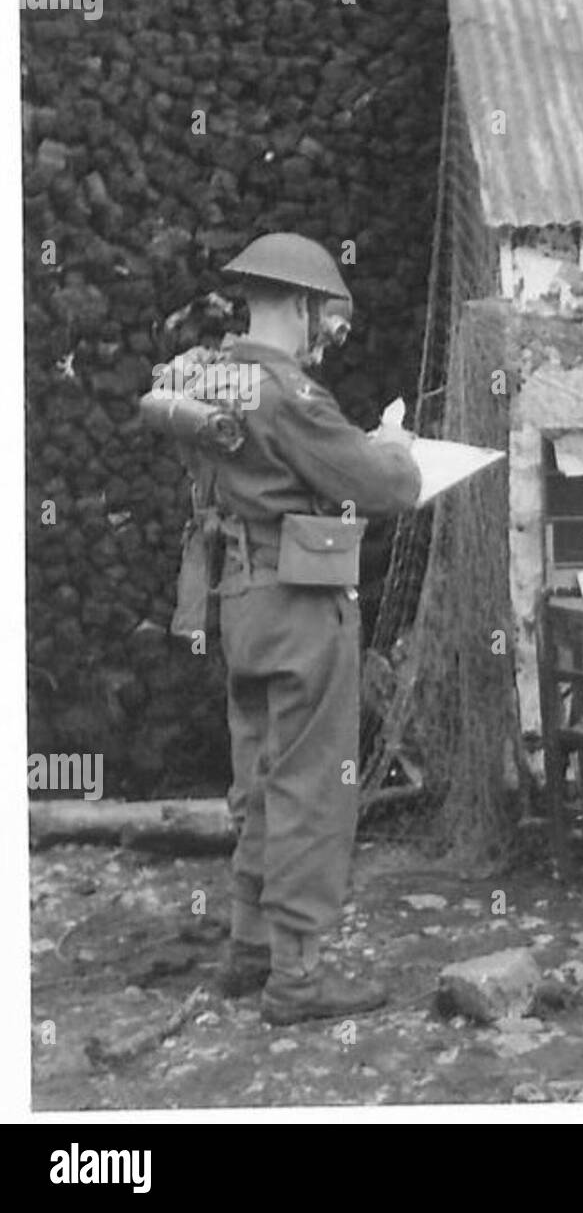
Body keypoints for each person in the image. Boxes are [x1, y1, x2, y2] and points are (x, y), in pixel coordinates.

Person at [196, 233, 421, 1022]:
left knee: (258, 776)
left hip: (241, 600)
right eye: (324, 316)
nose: (327, 332)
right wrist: (395, 447)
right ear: (298, 306)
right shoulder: (286, 392)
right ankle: (296, 980)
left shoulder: (213, 375)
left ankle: (248, 947)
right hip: (301, 605)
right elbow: (382, 484)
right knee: (312, 786)